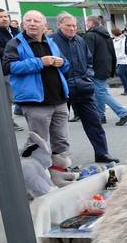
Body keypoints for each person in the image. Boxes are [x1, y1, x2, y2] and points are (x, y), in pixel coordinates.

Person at [2, 11, 72, 164]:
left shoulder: (51, 42)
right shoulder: (15, 43)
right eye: (29, 20)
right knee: (38, 141)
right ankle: (30, 172)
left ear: (45, 25)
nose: (32, 23)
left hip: (59, 99)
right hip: (35, 101)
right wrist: (40, 62)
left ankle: (59, 171)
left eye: (36, 21)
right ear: (23, 24)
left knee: (61, 140)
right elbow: (9, 67)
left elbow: (65, 63)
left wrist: (62, 62)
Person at [50, 13, 117, 164]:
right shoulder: (52, 41)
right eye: (68, 25)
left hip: (83, 87)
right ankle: (60, 160)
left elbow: (89, 61)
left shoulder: (80, 40)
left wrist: (88, 76)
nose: (72, 28)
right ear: (59, 25)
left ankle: (102, 153)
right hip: (62, 89)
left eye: (74, 25)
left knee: (94, 122)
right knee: (59, 127)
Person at [83, 16, 127, 127]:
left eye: (87, 22)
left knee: (101, 93)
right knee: (99, 92)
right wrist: (112, 68)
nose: (86, 24)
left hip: (96, 68)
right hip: (105, 67)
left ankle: (123, 113)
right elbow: (112, 52)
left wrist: (86, 68)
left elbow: (88, 55)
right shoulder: (106, 35)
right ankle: (100, 116)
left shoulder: (90, 36)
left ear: (91, 23)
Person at [0, 8, 22, 126]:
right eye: (0, 17)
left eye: (6, 16)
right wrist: (17, 52)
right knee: (9, 98)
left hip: (21, 67)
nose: (4, 19)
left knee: (20, 94)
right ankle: (8, 121)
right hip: (7, 69)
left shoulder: (16, 31)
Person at [113, 26, 127, 95]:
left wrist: (117, 57)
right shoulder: (113, 40)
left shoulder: (123, 39)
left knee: (120, 73)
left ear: (114, 33)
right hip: (118, 61)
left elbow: (123, 51)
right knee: (124, 74)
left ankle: (126, 89)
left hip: (124, 60)